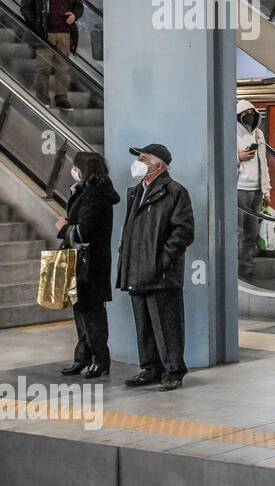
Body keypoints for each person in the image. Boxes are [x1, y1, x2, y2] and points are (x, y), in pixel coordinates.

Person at [118, 144, 195, 391]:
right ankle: (150, 368)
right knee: (144, 323)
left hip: (161, 272)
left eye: (144, 158)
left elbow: (183, 232)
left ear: (159, 164)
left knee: (167, 323)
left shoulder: (175, 192)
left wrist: (162, 261)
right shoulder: (135, 191)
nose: (138, 161)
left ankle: (173, 370)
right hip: (136, 269)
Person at [56, 152, 119, 379]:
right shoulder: (85, 192)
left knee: (92, 314)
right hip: (82, 262)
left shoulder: (95, 196)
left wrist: (64, 227)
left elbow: (85, 231)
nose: (72, 170)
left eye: (75, 167)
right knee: (81, 311)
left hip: (91, 264)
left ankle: (100, 359)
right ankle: (83, 357)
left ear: (84, 169)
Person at [20, 0, 85, 111]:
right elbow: (25, 7)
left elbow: (78, 6)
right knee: (43, 67)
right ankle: (42, 97)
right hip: (44, 33)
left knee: (63, 68)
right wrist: (36, 25)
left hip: (64, 33)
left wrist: (75, 15)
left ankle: (61, 97)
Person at [235, 100, 270, 281]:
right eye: (245, 114)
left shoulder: (259, 135)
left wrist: (266, 190)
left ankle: (247, 270)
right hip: (239, 189)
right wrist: (238, 157)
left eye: (252, 113)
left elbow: (263, 163)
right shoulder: (231, 133)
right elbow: (220, 161)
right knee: (238, 233)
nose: (249, 116)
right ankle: (237, 273)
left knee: (251, 233)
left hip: (256, 190)